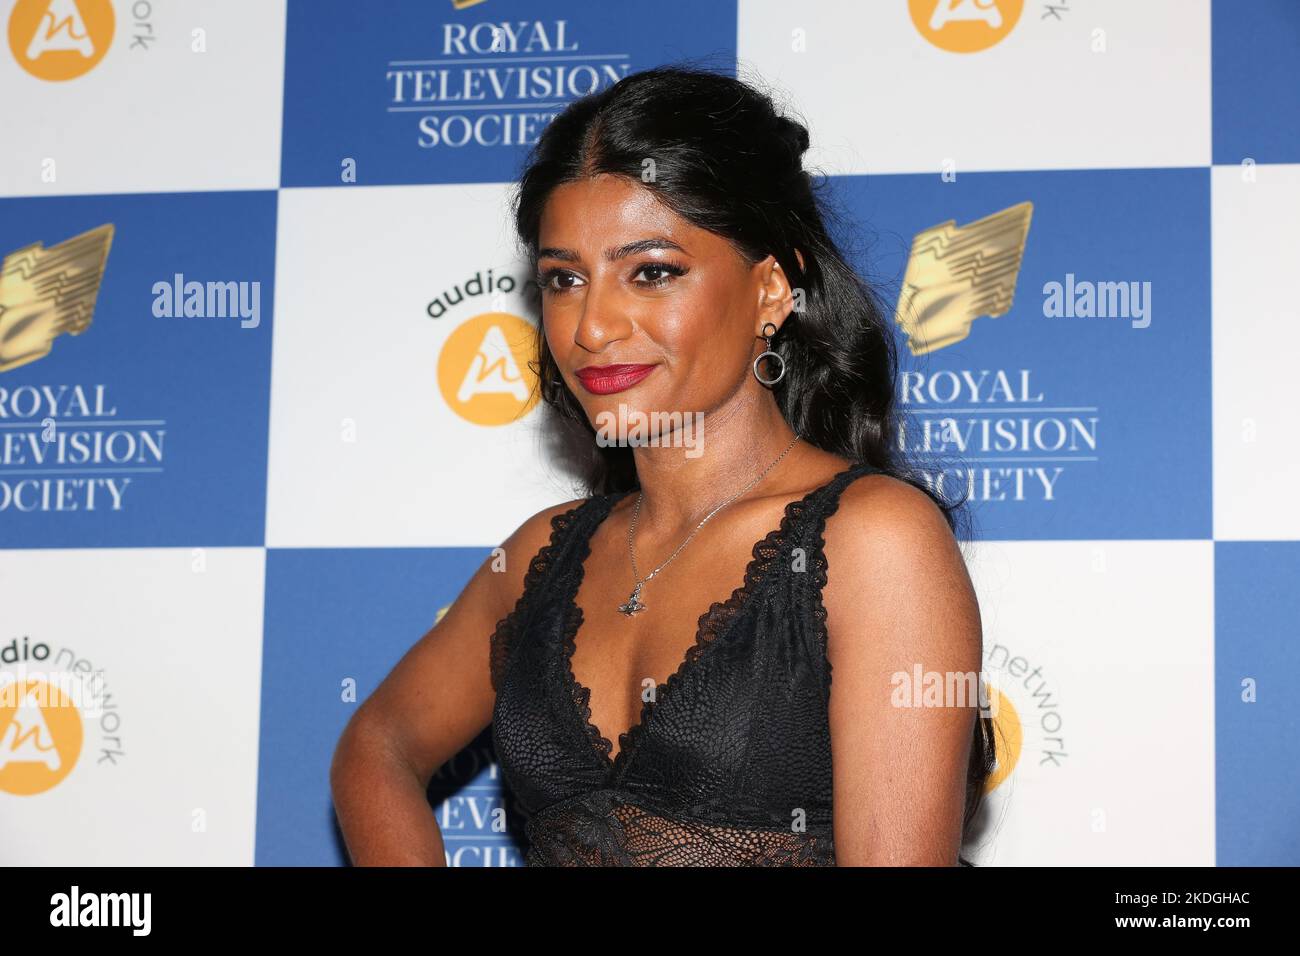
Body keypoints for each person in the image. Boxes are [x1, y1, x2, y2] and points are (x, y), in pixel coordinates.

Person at [331, 63, 997, 866]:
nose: (593, 325)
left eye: (651, 272)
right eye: (564, 279)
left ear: (771, 290)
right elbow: (377, 748)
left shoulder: (874, 540)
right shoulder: (541, 557)